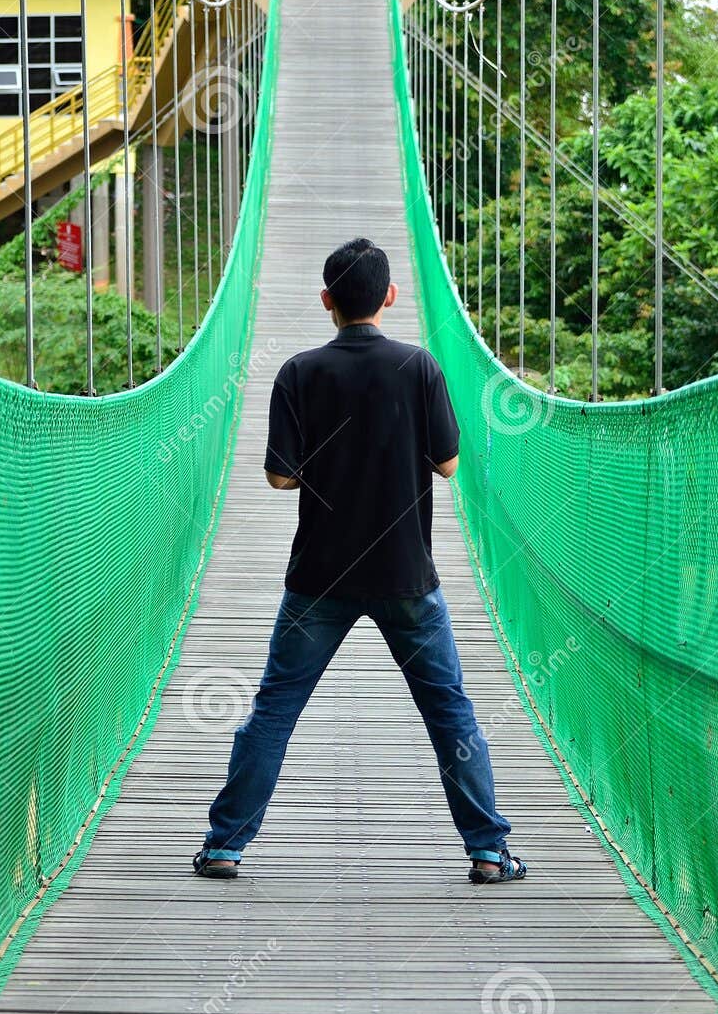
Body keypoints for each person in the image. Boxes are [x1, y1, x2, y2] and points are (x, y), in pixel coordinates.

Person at [193, 238, 523, 885]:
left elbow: (280, 480)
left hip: (319, 575)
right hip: (405, 576)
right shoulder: (419, 367)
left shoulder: (298, 372)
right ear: (390, 297)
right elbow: (449, 465)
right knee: (451, 714)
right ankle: (487, 851)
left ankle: (225, 845)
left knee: (274, 710)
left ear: (326, 302)